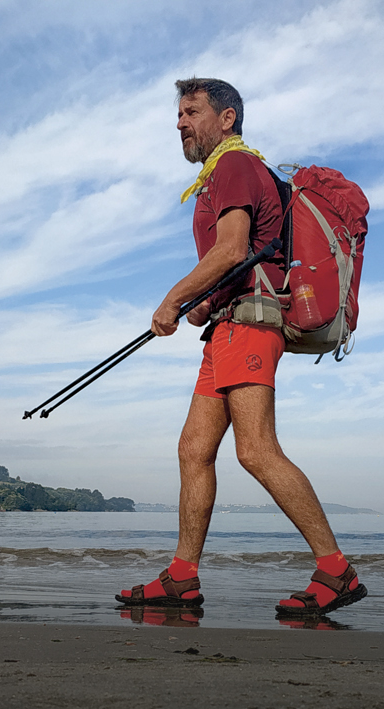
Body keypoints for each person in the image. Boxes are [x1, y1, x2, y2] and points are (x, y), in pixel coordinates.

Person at [115, 78, 366, 618]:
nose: (179, 122)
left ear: (226, 118)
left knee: (255, 450)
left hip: (250, 327)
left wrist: (172, 300)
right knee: (193, 449)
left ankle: (334, 569)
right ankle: (182, 577)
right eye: (178, 113)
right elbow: (244, 257)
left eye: (191, 111)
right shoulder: (218, 178)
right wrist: (201, 303)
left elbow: (231, 250)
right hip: (226, 324)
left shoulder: (234, 166)